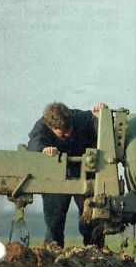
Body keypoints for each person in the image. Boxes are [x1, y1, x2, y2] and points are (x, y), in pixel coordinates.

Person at [27, 101, 107, 246]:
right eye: (62, 132)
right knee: (54, 224)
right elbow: (34, 143)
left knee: (91, 221)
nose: (67, 133)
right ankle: (53, 257)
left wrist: (101, 115)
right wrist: (43, 149)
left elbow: (101, 126)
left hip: (86, 176)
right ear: (50, 127)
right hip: (56, 178)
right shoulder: (41, 126)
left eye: (69, 128)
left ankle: (96, 254)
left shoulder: (81, 117)